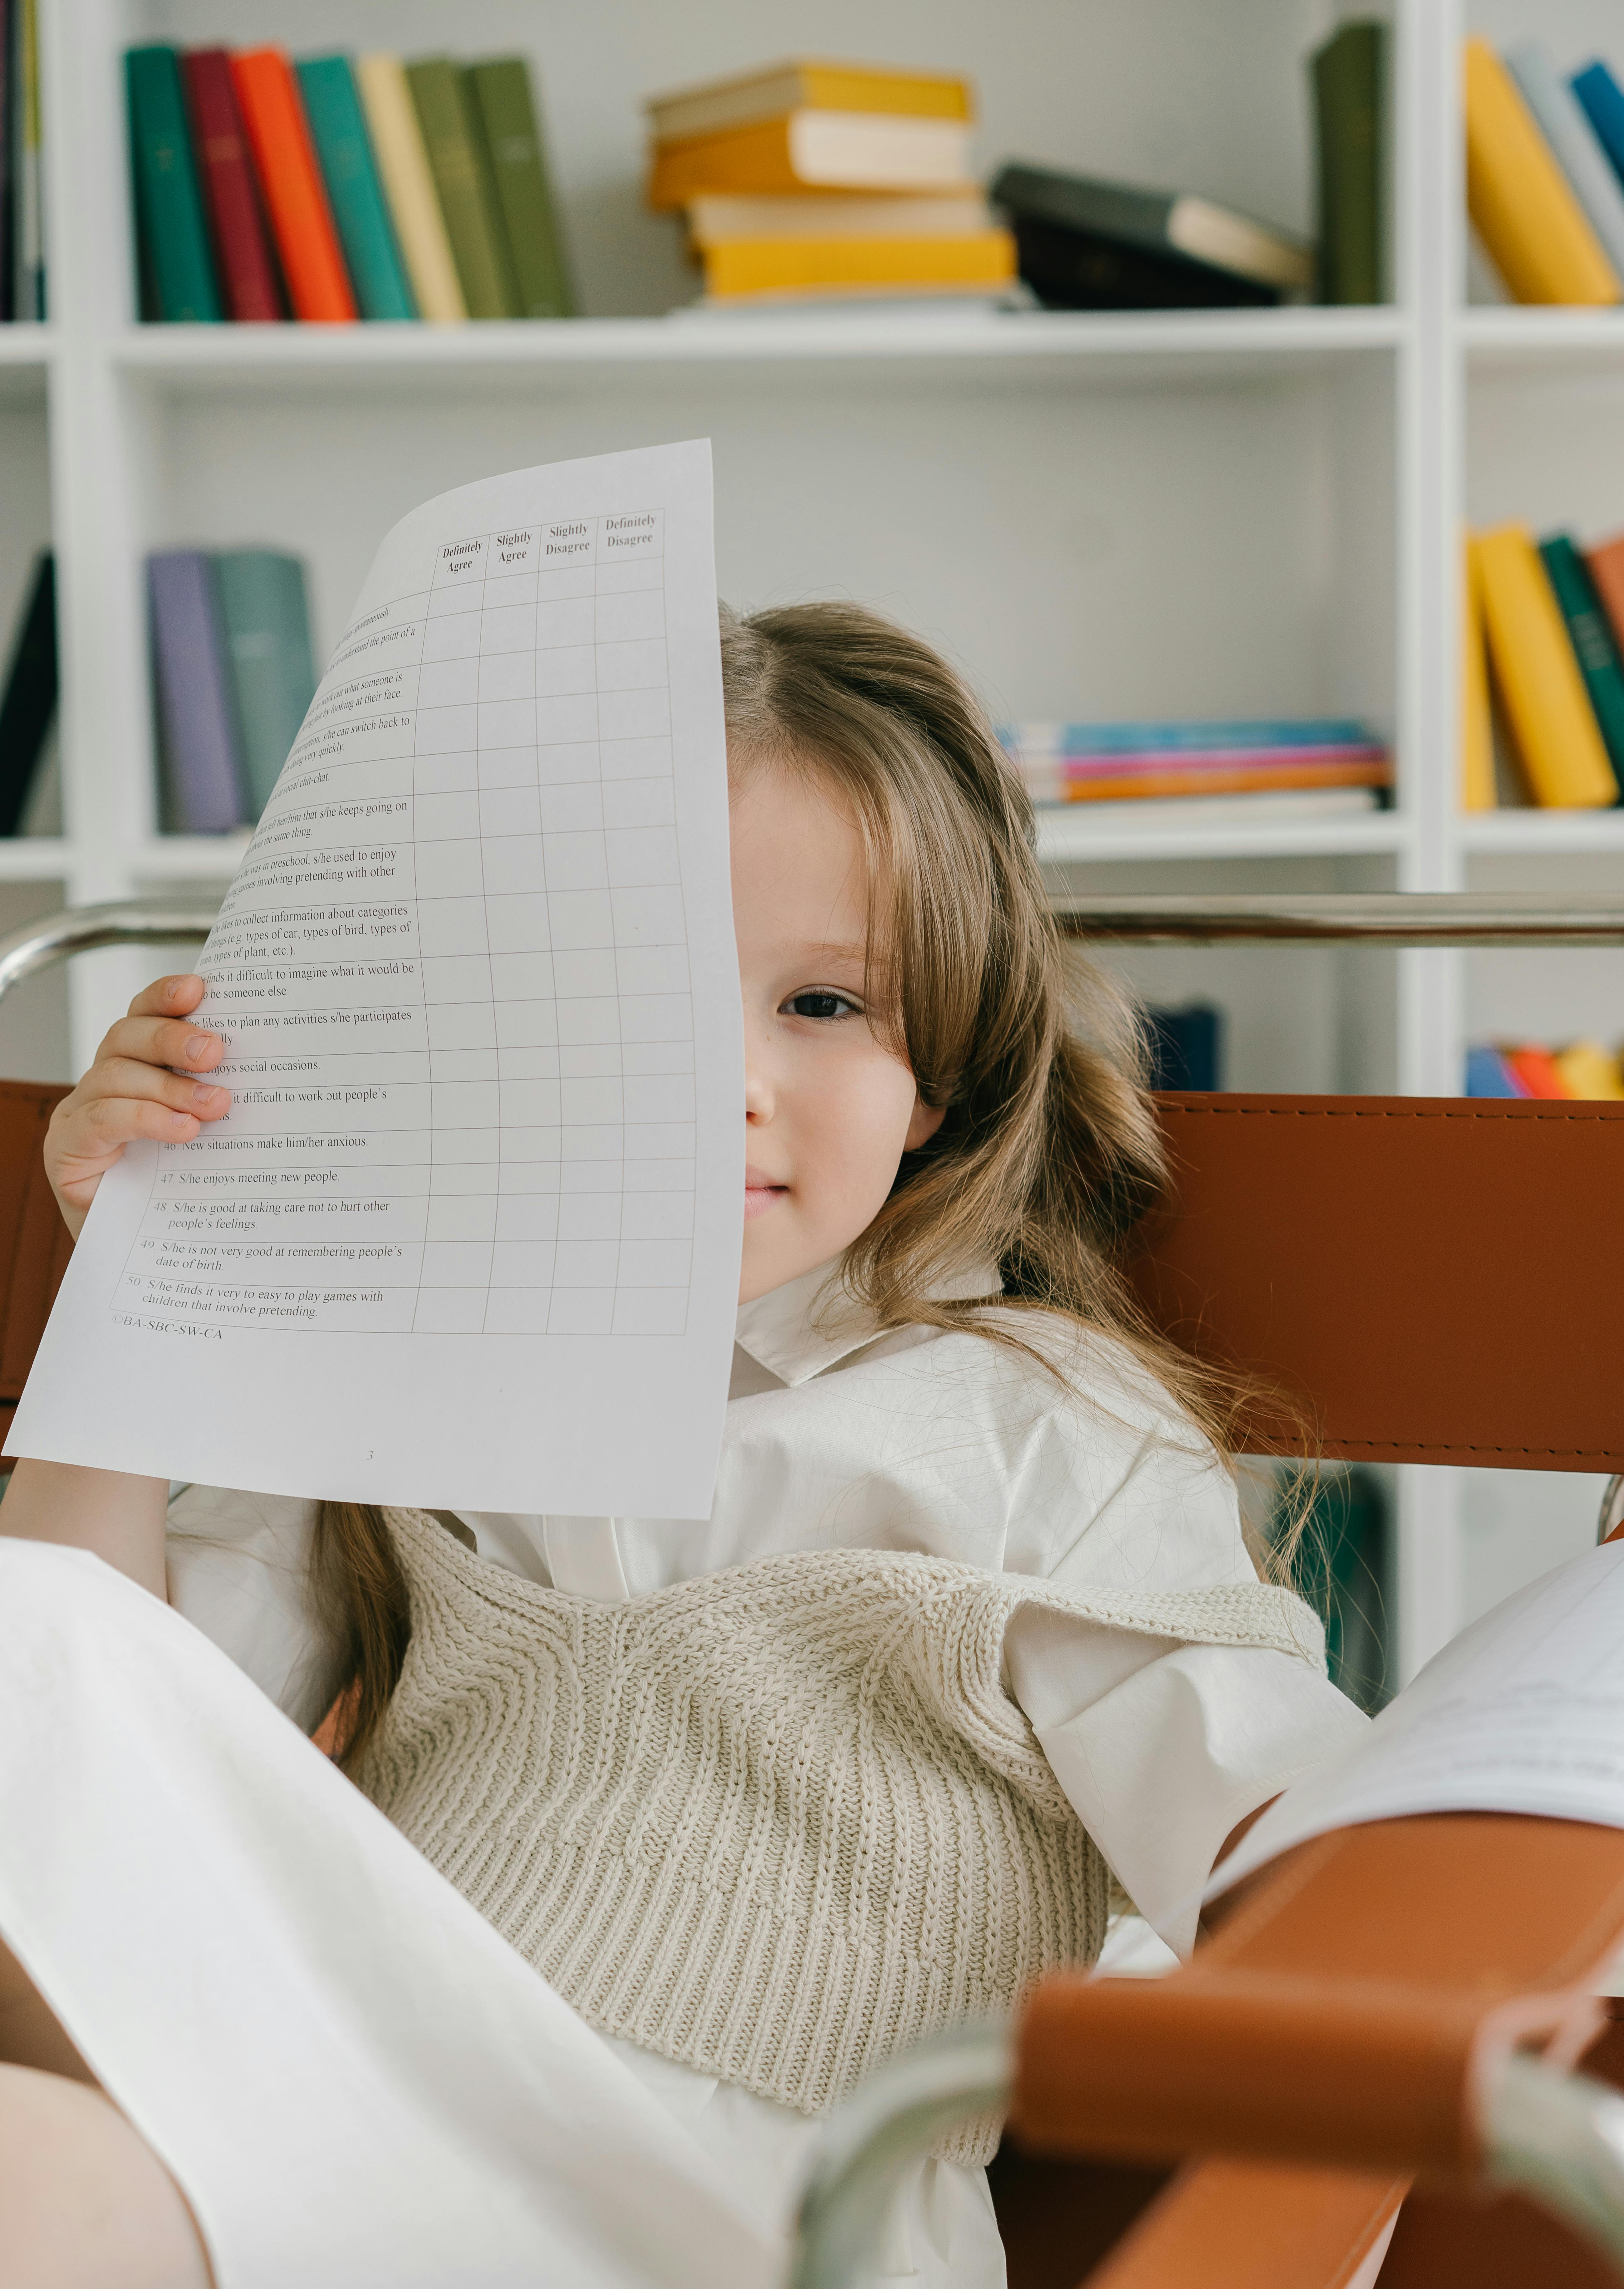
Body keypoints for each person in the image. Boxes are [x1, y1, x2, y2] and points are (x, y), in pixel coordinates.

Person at [0, 601, 1368, 2289]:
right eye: (630, 995)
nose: (722, 1080)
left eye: (820, 1001)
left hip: (748, 2219)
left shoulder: (1038, 1425)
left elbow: (1288, 1840)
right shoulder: (405, 1380)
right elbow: (89, 1733)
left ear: (932, 1079)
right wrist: (146, 1276)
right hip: (366, 2137)